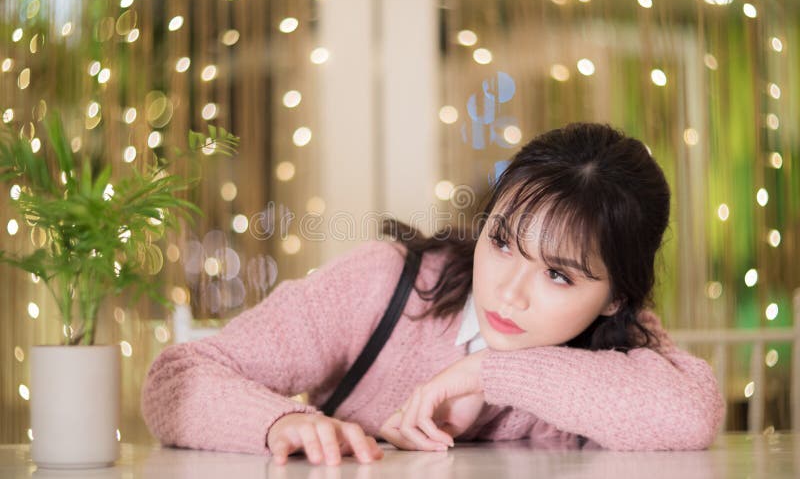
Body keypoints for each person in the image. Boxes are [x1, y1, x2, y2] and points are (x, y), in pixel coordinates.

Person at [140, 122, 726, 466]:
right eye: (502, 242)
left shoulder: (618, 338)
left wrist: (487, 373)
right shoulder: (386, 284)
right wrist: (280, 422)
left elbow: (691, 415)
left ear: (616, 297)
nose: (510, 292)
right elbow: (176, 378)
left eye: (558, 275)